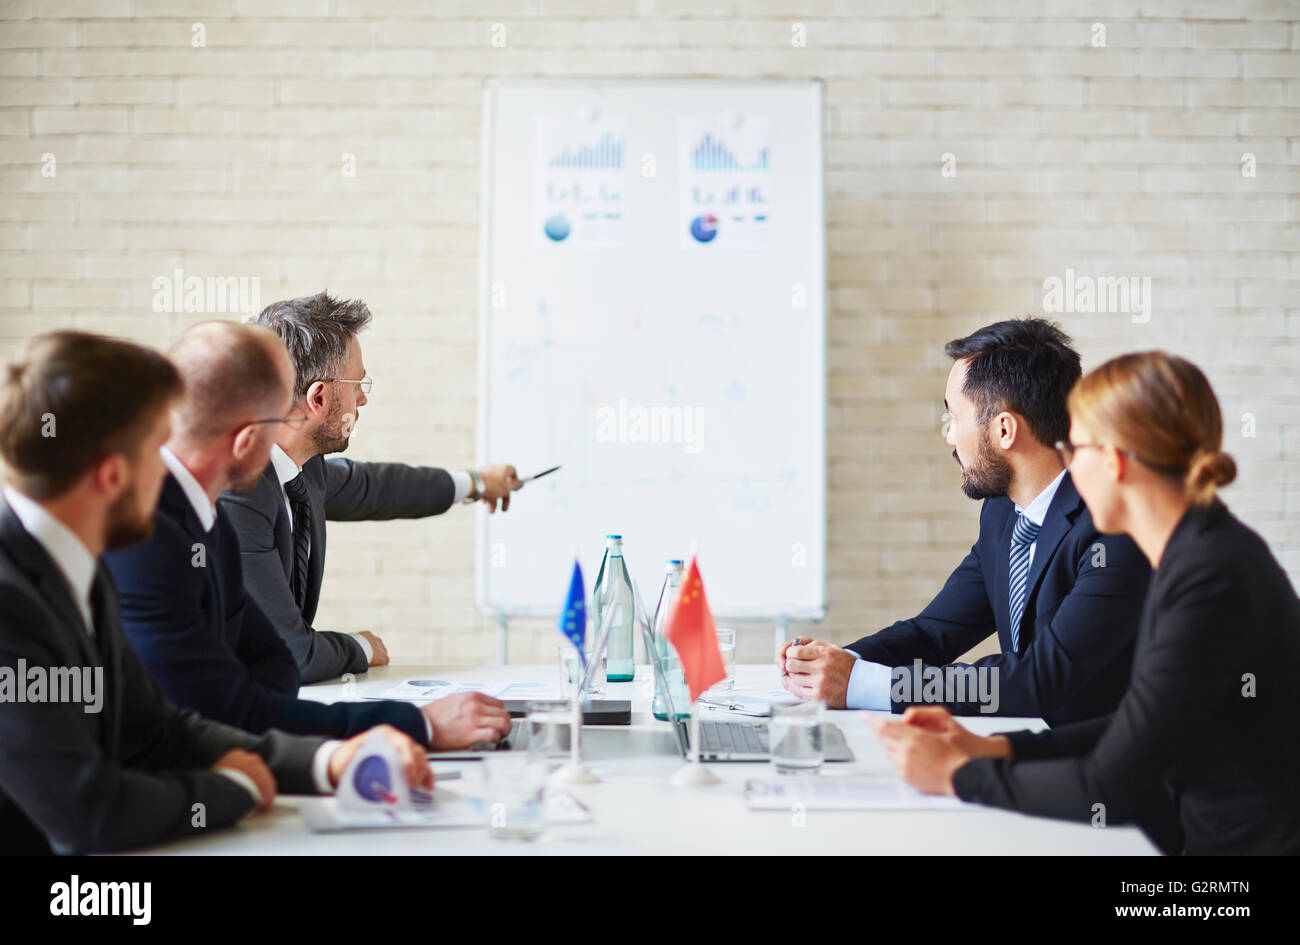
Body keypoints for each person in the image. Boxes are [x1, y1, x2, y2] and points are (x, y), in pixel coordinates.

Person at [0, 332, 429, 855]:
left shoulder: (76, 566)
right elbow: (89, 811)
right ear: (111, 476)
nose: (173, 467)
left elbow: (157, 728)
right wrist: (234, 790)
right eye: (160, 448)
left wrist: (327, 763)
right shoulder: (12, 605)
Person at [871, 351, 1300, 855]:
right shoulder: (1195, 550)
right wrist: (992, 746)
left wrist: (957, 775)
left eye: (1075, 448)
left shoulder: (1208, 576)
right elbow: (1133, 727)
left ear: (1115, 462)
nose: (1067, 468)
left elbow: (1108, 786)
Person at [104, 322, 512, 751]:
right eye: (280, 413)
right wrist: (416, 724)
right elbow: (235, 706)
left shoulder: (209, 518)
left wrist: (476, 483)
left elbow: (272, 661)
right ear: (247, 441)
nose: (287, 432)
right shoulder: (150, 535)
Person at [779, 319, 1151, 723]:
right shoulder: (1003, 513)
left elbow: (1038, 679)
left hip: (1104, 756)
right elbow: (932, 633)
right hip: (1033, 746)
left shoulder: (1113, 529)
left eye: (954, 418)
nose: (950, 437)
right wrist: (837, 663)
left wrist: (860, 683)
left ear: (1004, 429)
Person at [220, 292, 523, 682]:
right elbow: (288, 654)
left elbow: (376, 487)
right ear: (318, 397)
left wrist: (477, 483)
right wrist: (361, 647)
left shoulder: (303, 470)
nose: (362, 398)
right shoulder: (237, 490)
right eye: (357, 383)